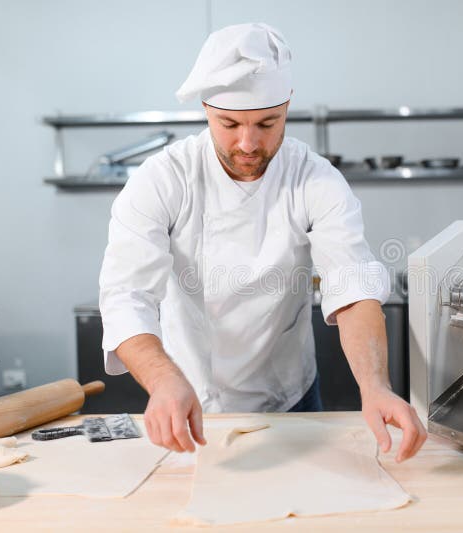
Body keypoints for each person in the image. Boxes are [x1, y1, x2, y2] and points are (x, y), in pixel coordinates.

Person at [98, 22, 426, 462]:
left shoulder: (315, 179)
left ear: (287, 108)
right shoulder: (163, 180)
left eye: (267, 123)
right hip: (187, 395)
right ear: (206, 110)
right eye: (230, 124)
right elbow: (126, 296)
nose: (248, 143)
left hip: (289, 396)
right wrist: (162, 381)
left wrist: (375, 387)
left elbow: (352, 288)